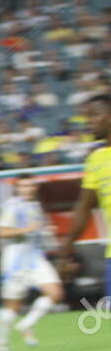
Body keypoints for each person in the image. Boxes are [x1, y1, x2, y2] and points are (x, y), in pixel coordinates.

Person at [0, 176, 63, 351]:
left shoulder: (36, 206)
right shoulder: (12, 205)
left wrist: (48, 237)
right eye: (23, 186)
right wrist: (26, 230)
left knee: (56, 293)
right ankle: (0, 344)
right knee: (13, 306)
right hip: (16, 260)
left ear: (35, 187)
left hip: (36, 257)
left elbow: (37, 232)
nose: (27, 189)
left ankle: (27, 324)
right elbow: (1, 231)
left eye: (30, 185)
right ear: (17, 188)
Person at [63, 94, 111, 315]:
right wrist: (66, 250)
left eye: (95, 115)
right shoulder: (96, 159)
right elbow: (83, 209)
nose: (89, 121)